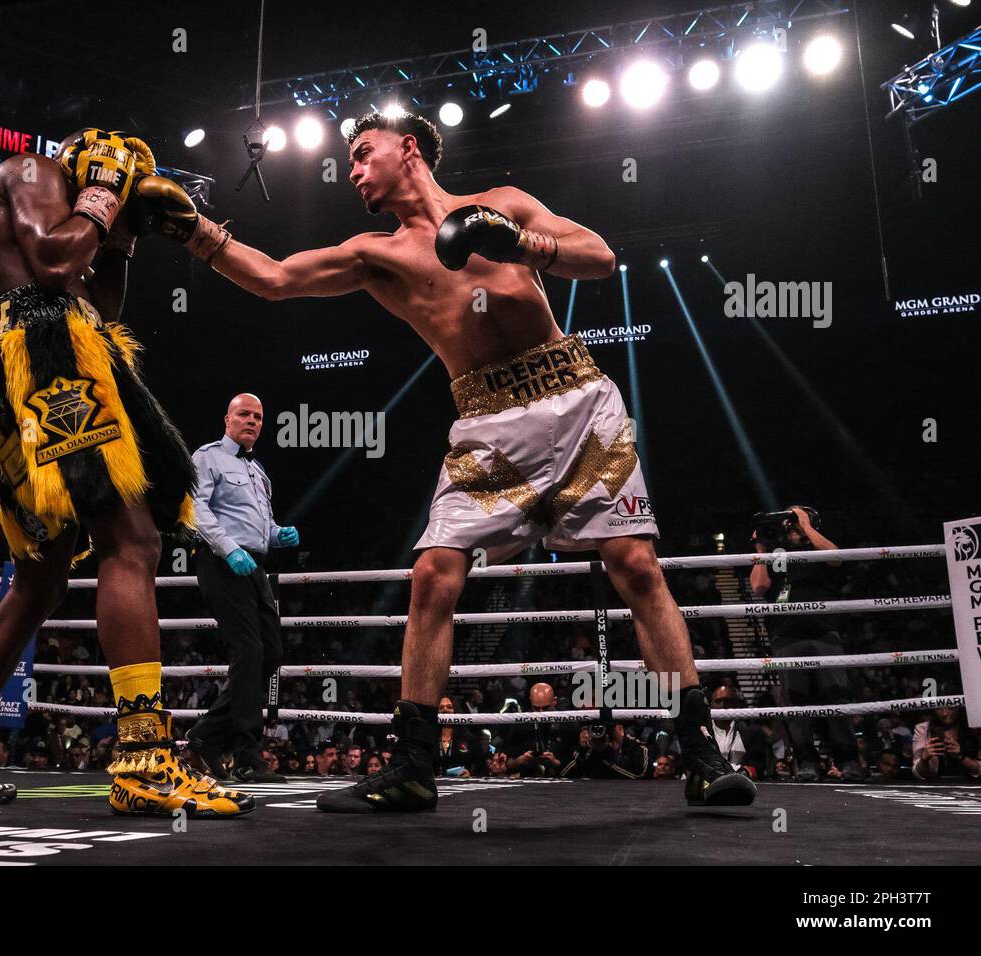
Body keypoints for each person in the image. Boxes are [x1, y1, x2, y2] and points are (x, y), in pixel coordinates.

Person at [129, 109, 754, 810]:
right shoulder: (377, 254)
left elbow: (601, 258)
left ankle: (701, 756)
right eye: (351, 162)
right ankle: (414, 765)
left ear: (411, 148)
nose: (355, 171)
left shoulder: (504, 205)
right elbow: (274, 278)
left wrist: (518, 242)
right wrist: (192, 230)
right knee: (433, 575)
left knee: (636, 565)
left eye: (364, 154)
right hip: (486, 425)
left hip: (578, 400)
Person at [0, 127, 252, 817]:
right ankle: (145, 760)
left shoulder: (72, 207)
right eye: (116, 178)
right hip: (46, 359)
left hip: (45, 358)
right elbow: (58, 265)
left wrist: (121, 239)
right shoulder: (33, 169)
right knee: (133, 540)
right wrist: (101, 195)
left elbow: (103, 308)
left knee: (41, 578)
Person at [185, 392, 298, 784]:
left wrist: (277, 534)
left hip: (255, 568)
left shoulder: (259, 471)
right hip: (221, 562)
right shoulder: (207, 457)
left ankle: (204, 737)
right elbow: (197, 510)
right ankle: (248, 754)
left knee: (270, 653)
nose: (252, 421)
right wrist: (230, 549)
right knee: (248, 650)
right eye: (244, 414)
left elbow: (262, 526)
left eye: (259, 417)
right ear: (228, 418)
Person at [749, 505, 861, 781]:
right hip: (786, 634)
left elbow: (836, 558)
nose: (791, 526)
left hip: (823, 632)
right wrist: (762, 549)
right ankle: (806, 761)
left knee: (835, 696)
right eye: (790, 522)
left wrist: (807, 526)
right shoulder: (776, 553)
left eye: (795, 521)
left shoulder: (818, 548)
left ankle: (848, 761)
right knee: (795, 701)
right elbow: (759, 587)